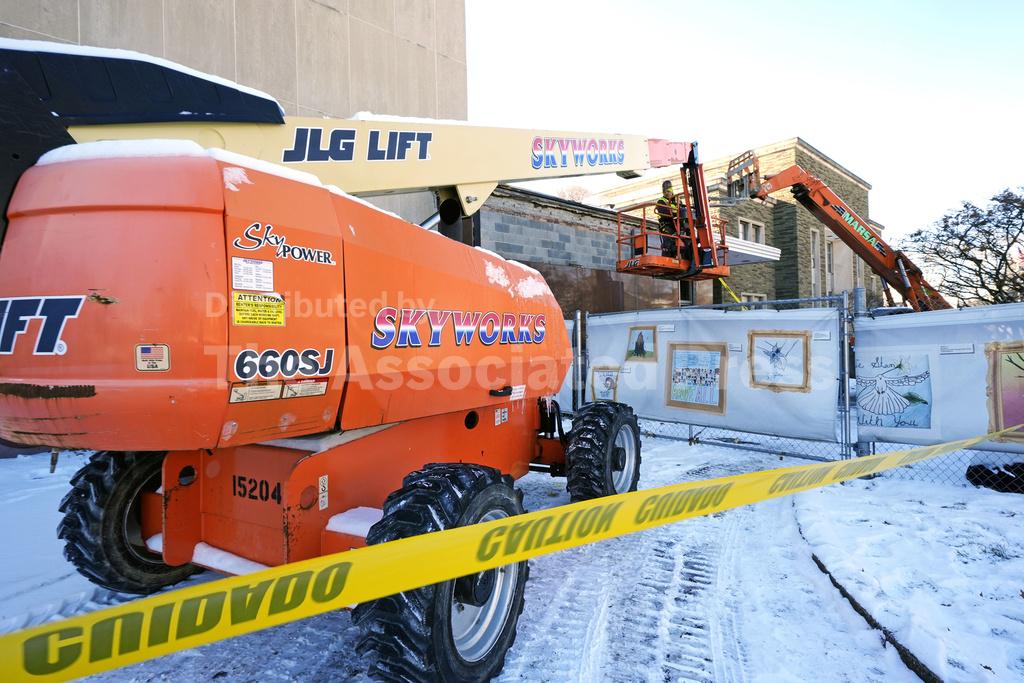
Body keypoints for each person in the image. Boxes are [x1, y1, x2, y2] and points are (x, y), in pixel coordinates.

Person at [655, 180, 680, 258]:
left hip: (678, 226)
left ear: (672, 190)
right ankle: (666, 258)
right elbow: (665, 213)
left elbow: (684, 211)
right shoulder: (661, 201)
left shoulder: (678, 201)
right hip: (666, 226)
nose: (666, 193)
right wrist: (675, 213)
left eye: (668, 191)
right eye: (664, 191)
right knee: (668, 245)